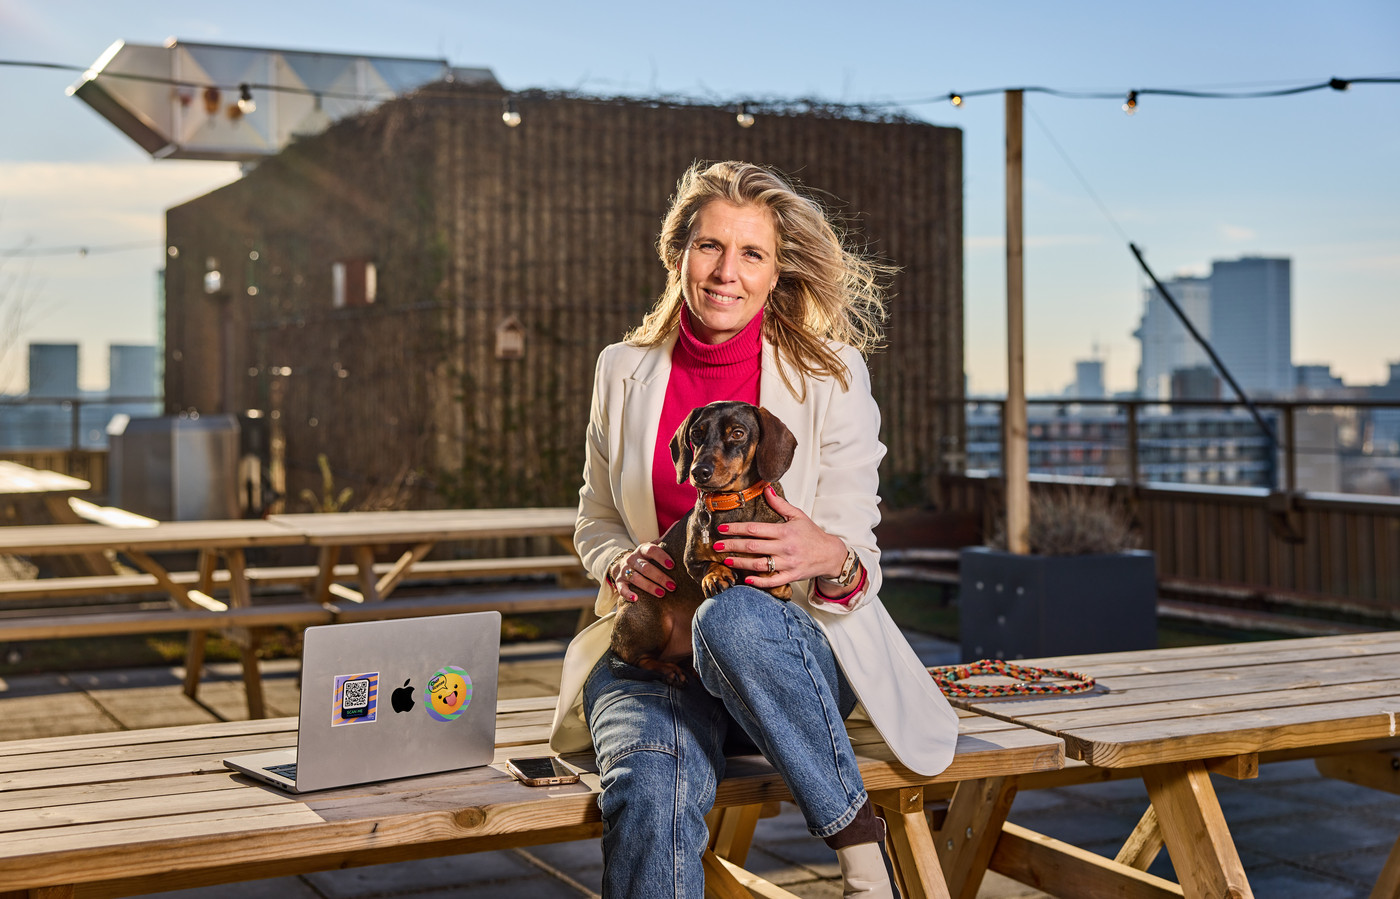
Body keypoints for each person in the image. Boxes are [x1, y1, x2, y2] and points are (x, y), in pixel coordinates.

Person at [548, 160, 958, 899]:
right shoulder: (622, 369)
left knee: (733, 616)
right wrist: (616, 562)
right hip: (657, 658)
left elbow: (860, 555)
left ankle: (864, 859)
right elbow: (595, 513)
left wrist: (827, 555)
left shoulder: (833, 375)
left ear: (777, 273)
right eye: (709, 247)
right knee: (649, 789)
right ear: (678, 256)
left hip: (786, 659)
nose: (725, 272)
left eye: (752, 254)